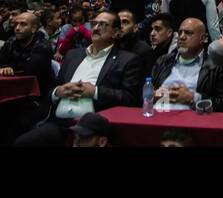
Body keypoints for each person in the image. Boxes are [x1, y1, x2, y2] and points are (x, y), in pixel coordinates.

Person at [14, 11, 140, 146]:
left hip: (93, 125)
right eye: (94, 24)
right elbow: (51, 89)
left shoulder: (127, 60)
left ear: (116, 32)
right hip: (60, 121)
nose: (96, 28)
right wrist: (58, 92)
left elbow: (130, 99)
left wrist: (95, 92)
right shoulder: (73, 55)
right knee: (22, 142)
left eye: (102, 25)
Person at [150, 18, 223, 112]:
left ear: (203, 38)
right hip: (158, 118)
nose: (181, 37)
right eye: (180, 32)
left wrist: (193, 98)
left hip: (192, 122)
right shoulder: (163, 61)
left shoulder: (215, 66)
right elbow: (145, 94)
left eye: (188, 33)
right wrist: (153, 96)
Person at [0, 11, 56, 109]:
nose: (17, 28)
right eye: (16, 24)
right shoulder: (12, 41)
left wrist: (8, 67)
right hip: (13, 91)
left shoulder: (43, 46)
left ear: (33, 28)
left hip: (36, 97)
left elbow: (29, 69)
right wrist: (1, 68)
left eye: (23, 24)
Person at [115, 9, 157, 80]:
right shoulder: (110, 47)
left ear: (135, 28)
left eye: (125, 22)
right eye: (118, 23)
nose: (120, 26)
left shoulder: (145, 51)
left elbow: (147, 81)